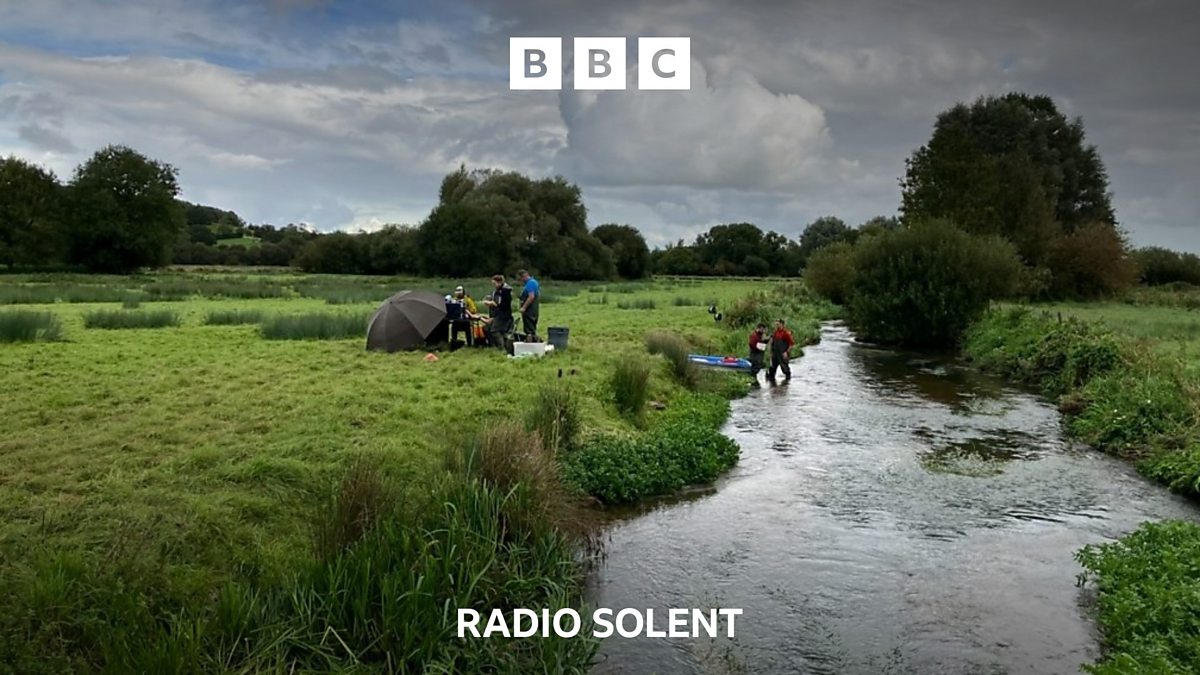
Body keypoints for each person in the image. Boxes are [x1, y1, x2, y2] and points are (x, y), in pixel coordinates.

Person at [483, 274, 514, 352]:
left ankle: (501, 347)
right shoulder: (501, 291)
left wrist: (494, 304)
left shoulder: (504, 291)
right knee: (501, 331)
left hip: (503, 314)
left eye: (494, 284)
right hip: (501, 314)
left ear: (499, 282)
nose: (494, 286)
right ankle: (506, 347)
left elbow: (503, 304)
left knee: (495, 330)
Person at [516, 269, 540, 342]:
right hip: (532, 310)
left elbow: (531, 296)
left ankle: (530, 345)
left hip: (530, 310)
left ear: (523, 276)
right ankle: (535, 343)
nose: (520, 281)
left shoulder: (530, 283)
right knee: (531, 329)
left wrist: (524, 307)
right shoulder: (533, 282)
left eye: (520, 279)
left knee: (529, 330)